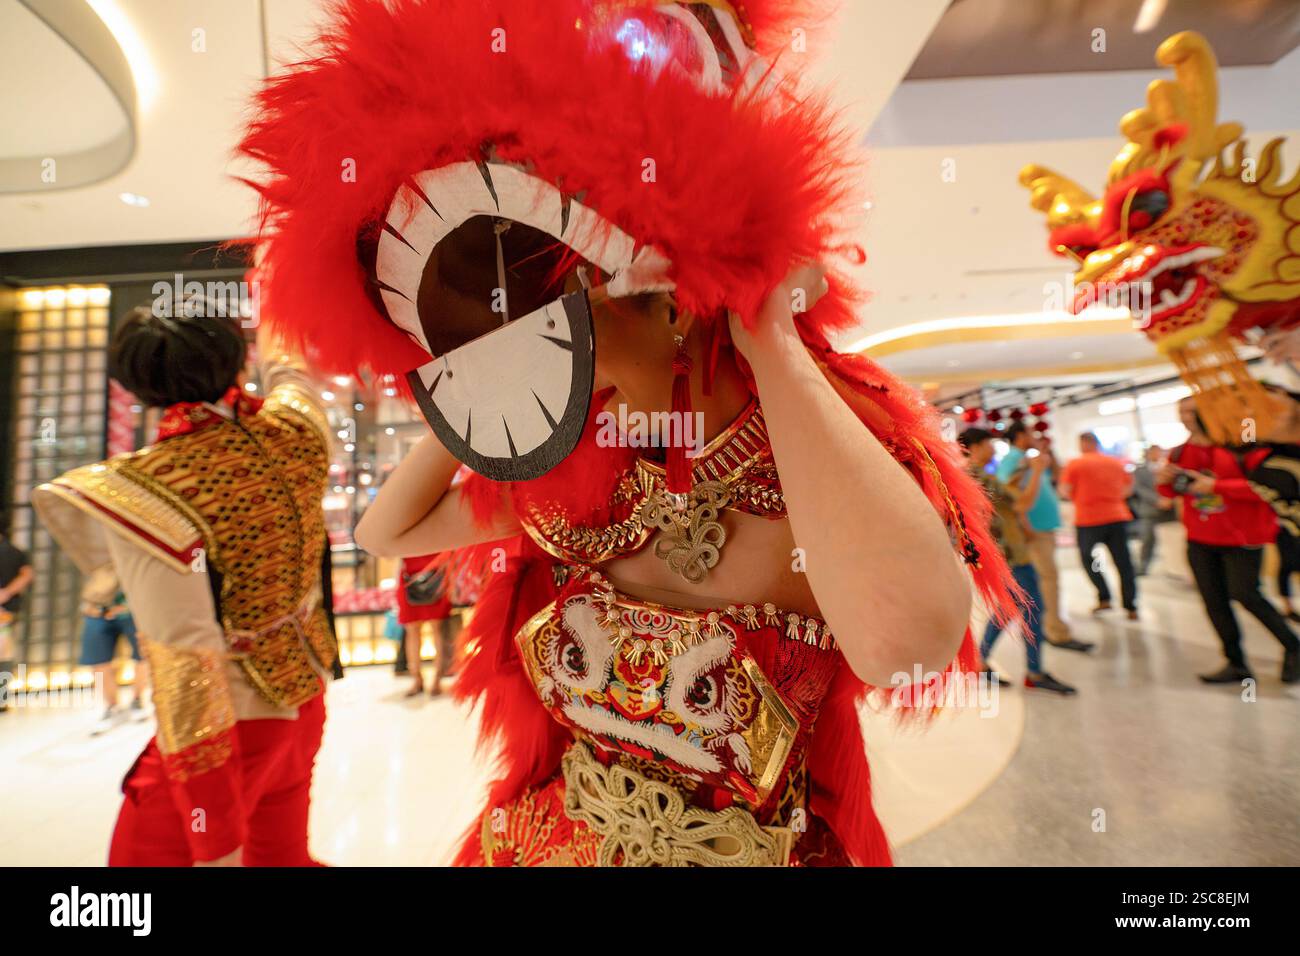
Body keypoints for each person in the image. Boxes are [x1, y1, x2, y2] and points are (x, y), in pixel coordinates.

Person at [241, 0, 1018, 867]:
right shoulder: (581, 485)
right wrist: (477, 386)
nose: (555, 389)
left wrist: (771, 335)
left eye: (566, 343)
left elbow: (903, 646)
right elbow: (388, 532)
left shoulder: (810, 462)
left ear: (670, 300)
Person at [33, 301, 340, 866]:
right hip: (304, 696)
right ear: (236, 363)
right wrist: (276, 286)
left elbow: (187, 663)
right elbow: (291, 369)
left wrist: (212, 836)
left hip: (232, 728)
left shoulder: (141, 490)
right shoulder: (297, 428)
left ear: (135, 387)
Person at [1158, 397, 1300, 684]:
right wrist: (1164, 480)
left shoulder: (1241, 446)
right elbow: (1170, 495)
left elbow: (1266, 488)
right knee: (1214, 601)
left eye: (1193, 410)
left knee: (1247, 595)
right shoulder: (1179, 453)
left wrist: (1216, 486)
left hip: (1243, 537)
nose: (1187, 416)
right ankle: (1235, 662)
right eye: (1182, 411)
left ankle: (1294, 647)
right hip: (1200, 538)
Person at [961, 429, 1076, 695]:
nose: (993, 447)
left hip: (1007, 550)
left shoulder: (978, 474)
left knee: (1009, 608)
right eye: (988, 442)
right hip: (1009, 553)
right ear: (976, 447)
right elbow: (1021, 503)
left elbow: (1009, 509)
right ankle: (1034, 672)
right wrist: (1036, 471)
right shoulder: (977, 475)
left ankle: (982, 662)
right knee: (1033, 607)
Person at [998, 423, 1092, 652]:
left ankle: (1051, 629)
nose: (1034, 436)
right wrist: (1024, 524)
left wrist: (1046, 454)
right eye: (1029, 433)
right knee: (1047, 580)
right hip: (1034, 530)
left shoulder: (1030, 460)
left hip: (1042, 527)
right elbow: (1010, 498)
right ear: (1020, 436)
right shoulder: (1014, 460)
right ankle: (1056, 632)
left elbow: (1057, 476)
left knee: (1047, 580)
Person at [1060, 432, 1139, 620]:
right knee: (1123, 563)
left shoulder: (1075, 464)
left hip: (1088, 519)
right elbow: (1128, 489)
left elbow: (1064, 491)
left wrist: (1080, 498)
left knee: (1090, 560)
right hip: (1116, 516)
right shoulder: (1115, 462)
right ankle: (1130, 605)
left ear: (1085, 443)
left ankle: (1104, 596)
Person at [78, 567, 151, 735]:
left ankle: (138, 700)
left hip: (134, 607)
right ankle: (112, 707)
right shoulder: (94, 550)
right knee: (97, 660)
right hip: (97, 609)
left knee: (143, 655)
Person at [396, 553, 455, 697]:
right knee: (434, 631)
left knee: (417, 631)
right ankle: (431, 679)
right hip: (432, 574)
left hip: (420, 574)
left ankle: (422, 680)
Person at [0, 516, 33, 715]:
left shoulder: (12, 552)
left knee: (3, 655)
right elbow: (27, 574)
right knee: (4, 654)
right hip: (6, 610)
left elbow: (27, 574)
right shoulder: (15, 551)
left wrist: (6, 593)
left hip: (4, 613)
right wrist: (7, 593)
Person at [1130, 444, 1174, 576]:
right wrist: (1157, 500)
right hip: (1150, 509)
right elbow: (1139, 489)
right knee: (1147, 538)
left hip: (1169, 508)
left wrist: (1169, 499)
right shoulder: (1140, 470)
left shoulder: (1168, 467)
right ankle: (1143, 566)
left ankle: (1173, 566)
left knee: (1172, 538)